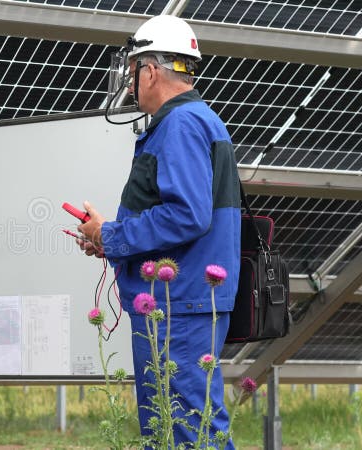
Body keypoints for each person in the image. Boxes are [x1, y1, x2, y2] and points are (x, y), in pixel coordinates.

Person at [76, 15, 240, 449]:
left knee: (185, 430)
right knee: (176, 427)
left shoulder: (182, 124)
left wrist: (110, 236)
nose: (130, 81)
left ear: (150, 70)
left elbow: (187, 215)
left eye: (133, 70)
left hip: (179, 304)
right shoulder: (196, 121)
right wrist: (107, 236)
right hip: (181, 300)